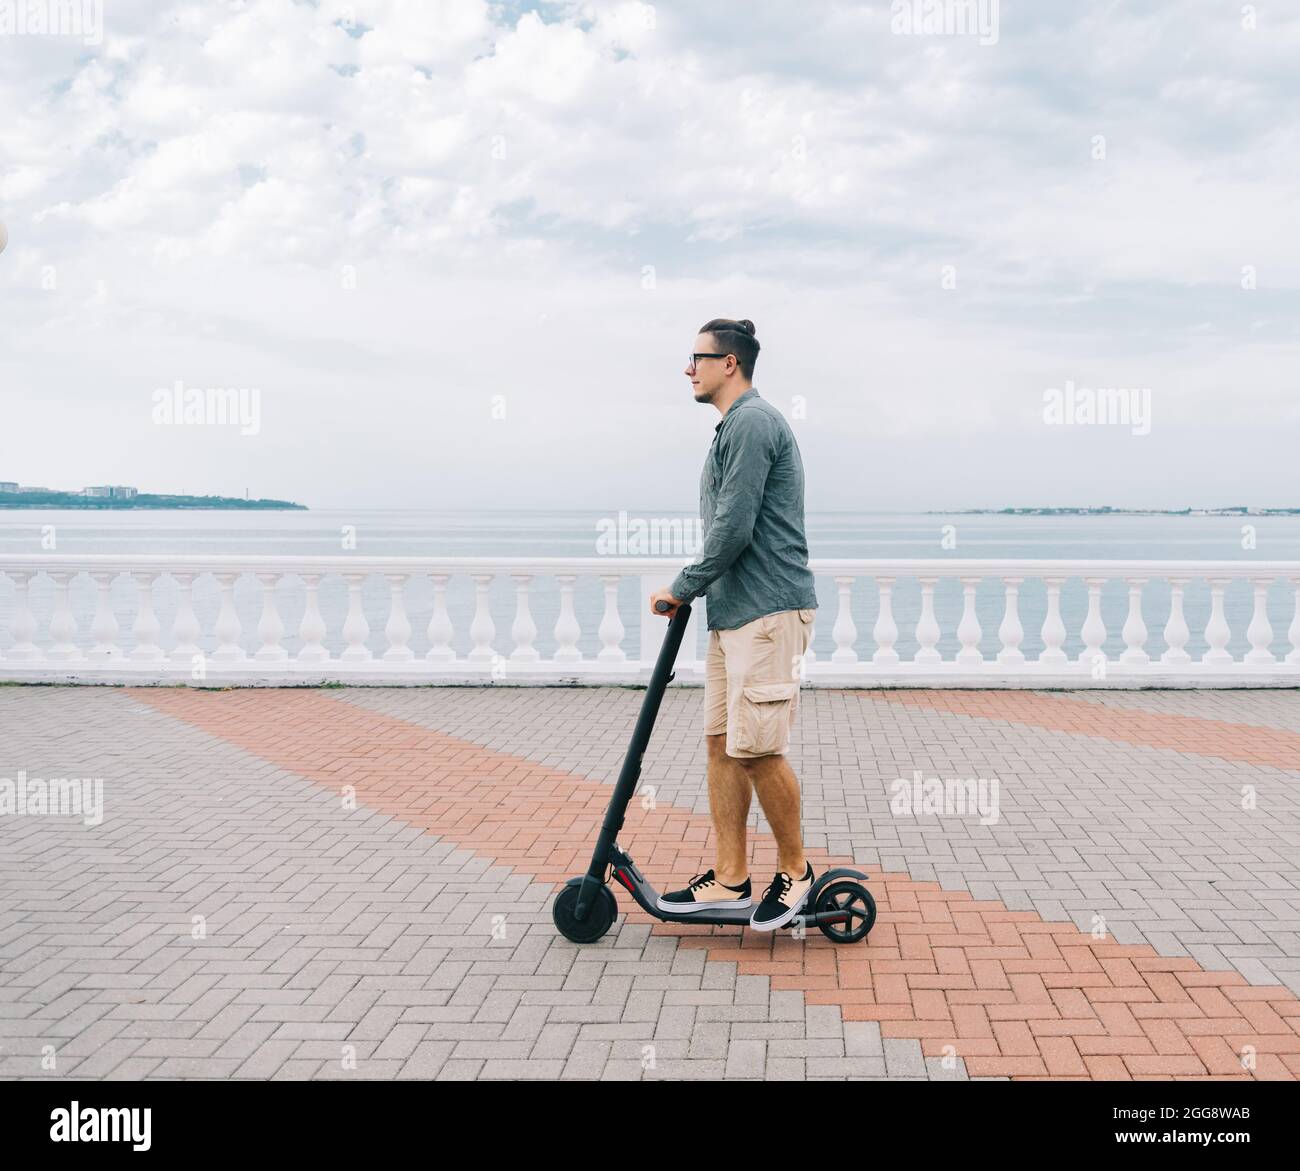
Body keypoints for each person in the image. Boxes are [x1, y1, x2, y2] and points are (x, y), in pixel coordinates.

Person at [648, 318, 819, 931]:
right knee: (724, 747)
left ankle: (797, 874)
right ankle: (728, 878)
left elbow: (735, 527)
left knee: (759, 750)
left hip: (769, 613)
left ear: (730, 364)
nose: (688, 369)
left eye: (697, 357)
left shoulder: (751, 422)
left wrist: (682, 586)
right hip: (734, 614)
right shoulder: (732, 427)